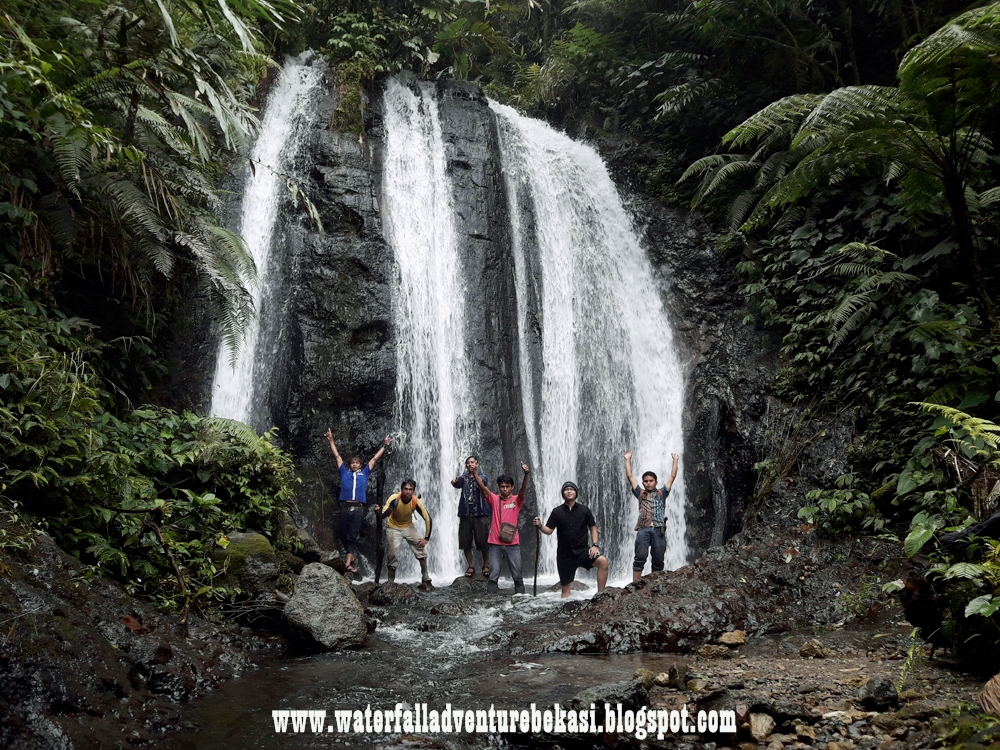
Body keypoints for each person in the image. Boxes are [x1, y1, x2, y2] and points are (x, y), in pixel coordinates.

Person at [325, 430, 391, 574]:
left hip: (357, 508)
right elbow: (337, 456)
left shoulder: (364, 473)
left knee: (352, 535)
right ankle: (351, 556)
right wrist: (331, 440)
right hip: (344, 507)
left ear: (360, 465)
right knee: (343, 533)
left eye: (357, 463)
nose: (354, 464)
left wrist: (385, 445)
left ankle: (348, 563)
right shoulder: (344, 472)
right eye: (353, 463)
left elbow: (374, 459)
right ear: (350, 465)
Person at [533, 482, 608, 598]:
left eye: (571, 489)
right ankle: (566, 606)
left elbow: (593, 528)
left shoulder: (584, 510)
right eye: (566, 489)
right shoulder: (557, 511)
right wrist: (540, 525)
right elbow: (549, 530)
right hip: (565, 555)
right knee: (565, 591)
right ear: (563, 493)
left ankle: (600, 596)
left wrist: (595, 545)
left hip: (582, 551)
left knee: (603, 562)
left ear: (576, 492)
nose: (569, 491)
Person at [472, 462, 530, 594]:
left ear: (512, 487)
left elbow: (523, 490)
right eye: (502, 486)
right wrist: (475, 473)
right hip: (495, 543)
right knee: (493, 575)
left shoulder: (516, 500)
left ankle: (521, 600)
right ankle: (492, 600)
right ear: (498, 487)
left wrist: (526, 474)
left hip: (512, 543)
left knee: (517, 575)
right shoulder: (494, 499)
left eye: (507, 486)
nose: (504, 489)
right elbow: (483, 488)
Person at [624, 450, 679, 582]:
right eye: (646, 481)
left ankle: (656, 585)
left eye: (651, 481)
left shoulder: (662, 493)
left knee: (658, 559)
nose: (648, 483)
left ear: (656, 482)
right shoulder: (640, 493)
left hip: (659, 530)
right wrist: (628, 459)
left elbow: (672, 476)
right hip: (643, 529)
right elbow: (630, 476)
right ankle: (635, 585)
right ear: (643, 483)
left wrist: (675, 460)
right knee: (640, 558)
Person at [380, 479, 433, 590]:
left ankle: (425, 576)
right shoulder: (394, 498)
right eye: (405, 489)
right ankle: (390, 581)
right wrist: (380, 510)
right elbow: (384, 514)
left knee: (420, 547)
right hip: (393, 527)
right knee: (392, 553)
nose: (407, 492)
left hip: (408, 526)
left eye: (410, 489)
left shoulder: (415, 501)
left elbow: (428, 518)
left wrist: (426, 538)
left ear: (413, 491)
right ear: (401, 489)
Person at [451, 456, 491, 578]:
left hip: (480, 513)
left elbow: (482, 484)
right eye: (468, 463)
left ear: (477, 464)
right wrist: (453, 482)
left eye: (472, 462)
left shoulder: (483, 476)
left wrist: (475, 474)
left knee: (483, 540)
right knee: (465, 541)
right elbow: (457, 484)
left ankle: (485, 565)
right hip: (465, 513)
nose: (470, 464)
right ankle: (470, 565)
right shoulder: (463, 478)